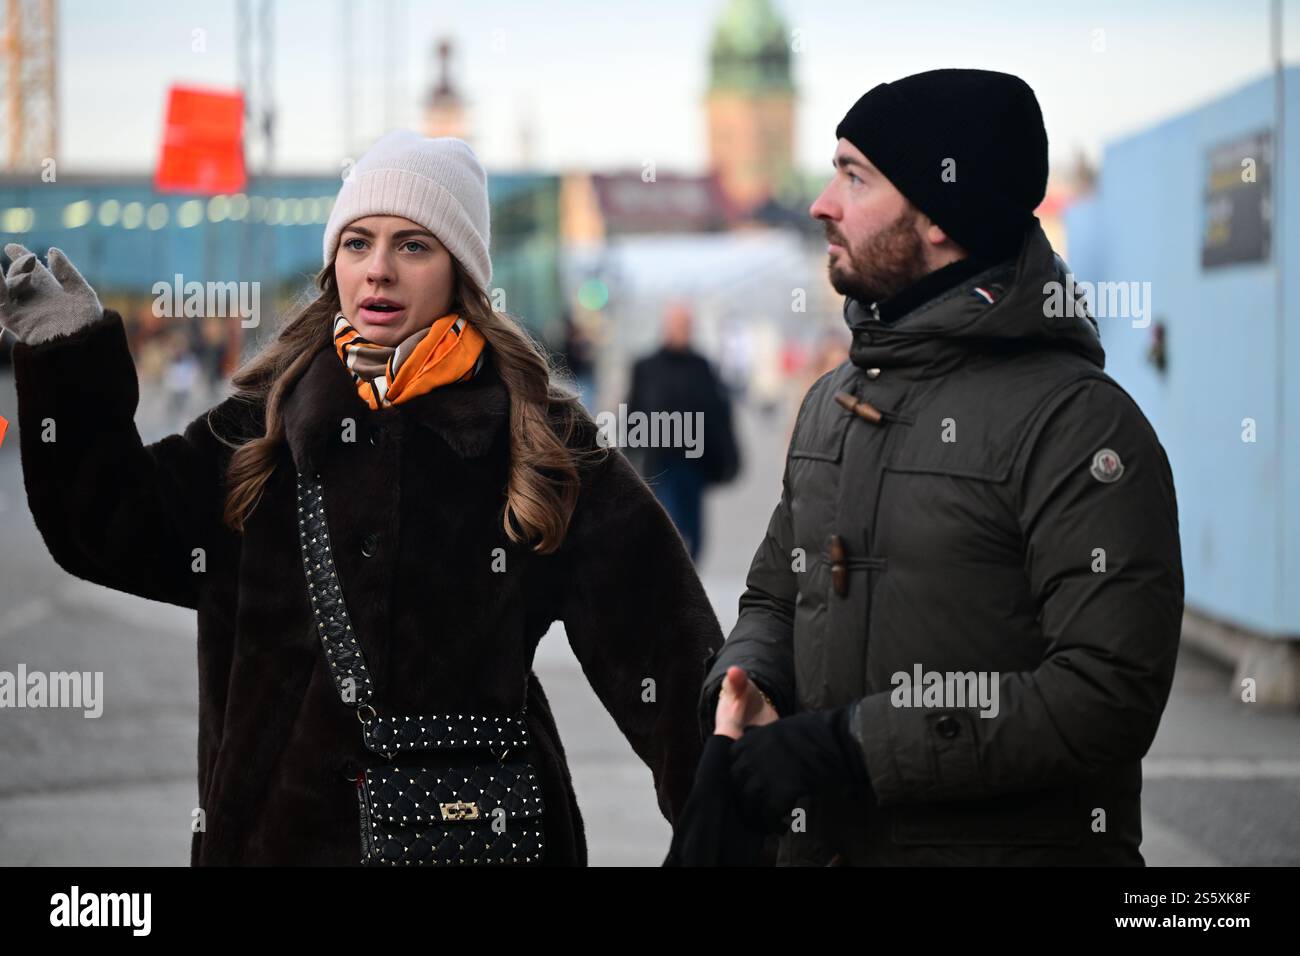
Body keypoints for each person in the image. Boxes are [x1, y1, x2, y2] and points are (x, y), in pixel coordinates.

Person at [1, 128, 723, 865]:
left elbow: (665, 650)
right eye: (357, 244)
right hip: (273, 842)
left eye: (413, 245)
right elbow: (109, 527)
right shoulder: (264, 427)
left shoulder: (538, 436)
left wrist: (723, 830)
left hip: (478, 845)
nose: (378, 270)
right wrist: (68, 359)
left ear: (461, 271)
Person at [698, 69, 1184, 866]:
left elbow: (1106, 695)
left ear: (938, 216)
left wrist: (854, 748)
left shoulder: (1081, 426)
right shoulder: (831, 401)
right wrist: (748, 684)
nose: (823, 203)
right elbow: (775, 597)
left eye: (855, 176)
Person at [625, 302, 740, 562]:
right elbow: (633, 408)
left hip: (695, 461)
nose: (681, 331)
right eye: (677, 325)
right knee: (670, 522)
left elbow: (719, 414)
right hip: (660, 460)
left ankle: (688, 578)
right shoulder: (645, 366)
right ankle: (673, 583)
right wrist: (630, 452)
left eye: (686, 325)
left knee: (695, 530)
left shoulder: (702, 366)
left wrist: (729, 455)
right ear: (665, 327)